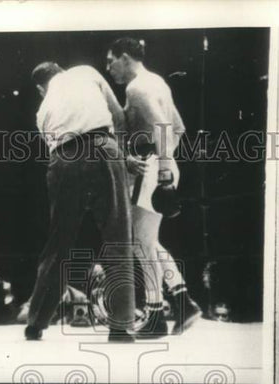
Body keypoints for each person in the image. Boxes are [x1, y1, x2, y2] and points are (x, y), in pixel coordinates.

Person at [25, 62, 137, 342]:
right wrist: (123, 156)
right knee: (118, 238)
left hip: (63, 159)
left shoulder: (42, 111)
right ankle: (121, 326)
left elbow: (55, 146)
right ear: (61, 70)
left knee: (58, 243)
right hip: (103, 146)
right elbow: (119, 116)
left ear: (41, 88)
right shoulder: (86, 71)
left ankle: (35, 323)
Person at [106, 37, 201, 337]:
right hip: (162, 165)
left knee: (140, 242)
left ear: (124, 57)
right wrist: (167, 164)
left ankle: (157, 315)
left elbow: (161, 124)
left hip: (153, 167)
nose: (109, 69)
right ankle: (182, 299)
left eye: (110, 62)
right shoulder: (158, 82)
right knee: (148, 240)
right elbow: (179, 127)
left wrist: (160, 168)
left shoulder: (137, 87)